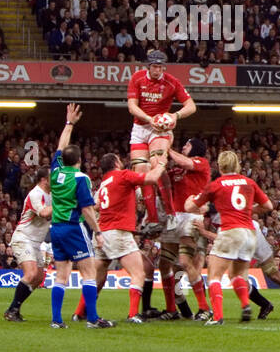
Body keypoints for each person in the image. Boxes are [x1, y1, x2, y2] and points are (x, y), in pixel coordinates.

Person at [185, 151, 273, 325]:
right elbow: (268, 205)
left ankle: (217, 317)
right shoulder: (249, 182)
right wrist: (249, 210)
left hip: (230, 231)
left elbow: (190, 207)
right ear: (237, 165)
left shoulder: (216, 185)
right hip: (249, 233)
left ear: (220, 166)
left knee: (214, 275)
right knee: (236, 274)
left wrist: (190, 198)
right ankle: (246, 304)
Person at [81, 152, 165, 324]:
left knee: (97, 277)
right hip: (117, 233)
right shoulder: (123, 175)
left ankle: (79, 312)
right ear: (116, 163)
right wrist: (162, 164)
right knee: (138, 272)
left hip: (102, 233)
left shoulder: (104, 183)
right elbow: (151, 178)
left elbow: (99, 206)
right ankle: (133, 314)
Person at [48, 104, 110, 328]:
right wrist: (98, 231)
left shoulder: (55, 172)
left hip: (55, 229)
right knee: (89, 272)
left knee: (61, 276)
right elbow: (86, 209)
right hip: (74, 227)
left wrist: (69, 124)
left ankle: (57, 320)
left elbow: (60, 146)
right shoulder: (80, 178)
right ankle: (92, 319)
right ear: (79, 159)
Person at [126, 48, 197, 230]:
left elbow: (191, 106)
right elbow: (132, 107)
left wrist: (175, 116)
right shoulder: (137, 79)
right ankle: (152, 218)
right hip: (141, 127)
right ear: (148, 66)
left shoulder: (172, 82)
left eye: (161, 67)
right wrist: (150, 119)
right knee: (143, 171)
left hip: (161, 130)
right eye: (155, 67)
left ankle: (171, 212)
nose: (158, 70)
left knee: (157, 162)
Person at [158, 139, 214, 321]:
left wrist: (168, 148)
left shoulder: (200, 162)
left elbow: (185, 161)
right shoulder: (177, 170)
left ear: (196, 149)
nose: (183, 147)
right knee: (164, 264)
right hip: (174, 218)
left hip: (191, 217)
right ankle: (171, 309)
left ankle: (204, 308)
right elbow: (163, 177)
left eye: (187, 145)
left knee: (184, 262)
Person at [3, 171, 52, 322]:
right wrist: (62, 202)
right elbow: (44, 213)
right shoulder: (35, 194)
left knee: (38, 278)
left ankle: (14, 309)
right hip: (24, 237)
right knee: (30, 273)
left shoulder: (51, 195)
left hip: (36, 242)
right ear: (44, 179)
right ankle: (12, 310)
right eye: (52, 178)